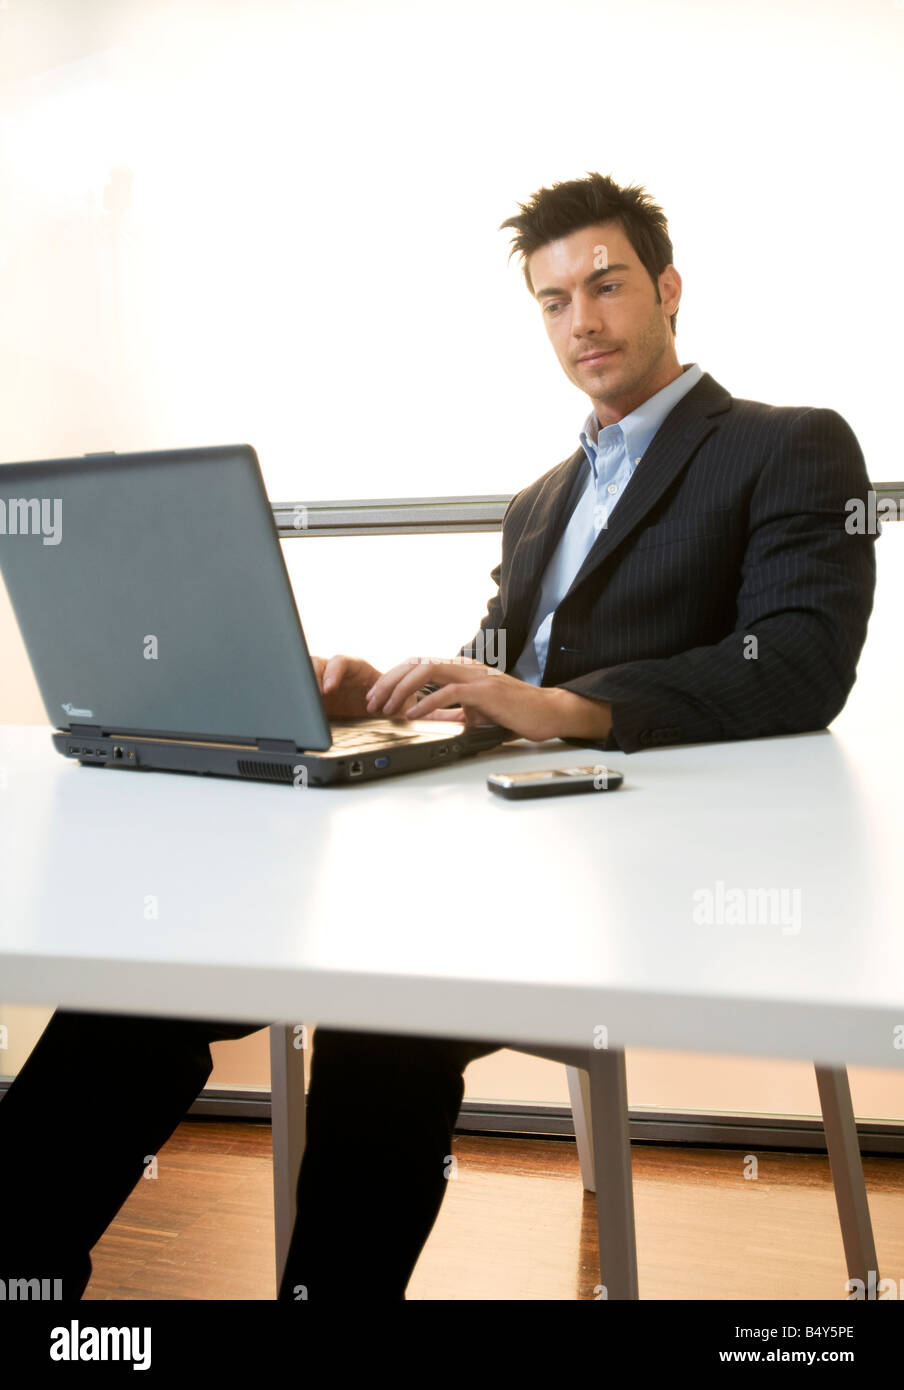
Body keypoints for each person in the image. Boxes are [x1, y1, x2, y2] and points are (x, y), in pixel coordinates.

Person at [0, 172, 877, 1301]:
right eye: (553, 302)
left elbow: (799, 667)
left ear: (666, 288)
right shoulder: (540, 499)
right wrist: (380, 692)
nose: (583, 322)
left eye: (605, 287)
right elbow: (501, 675)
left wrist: (569, 707)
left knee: (385, 1012)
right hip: (481, 854)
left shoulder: (788, 446)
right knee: (144, 982)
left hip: (652, 878)